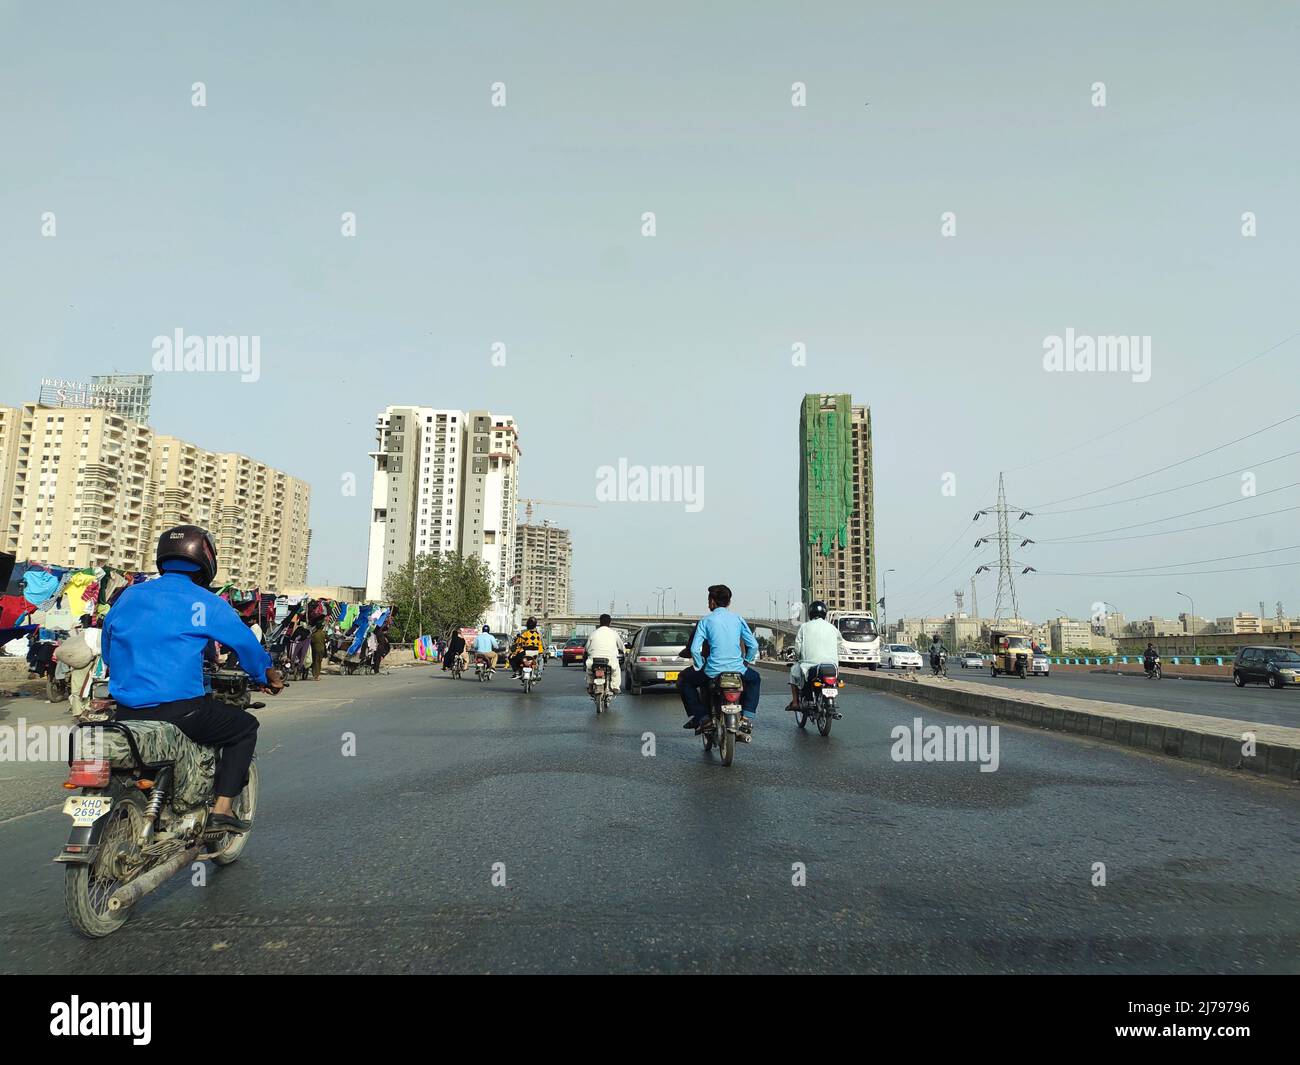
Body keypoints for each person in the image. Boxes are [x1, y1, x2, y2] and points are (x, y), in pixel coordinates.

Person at [102, 525, 283, 834]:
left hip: (127, 711)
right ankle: (221, 810)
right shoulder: (205, 603)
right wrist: (266, 673)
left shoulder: (129, 596)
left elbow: (108, 651)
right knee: (244, 728)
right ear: (206, 560)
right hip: (181, 711)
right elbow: (245, 645)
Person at [678, 584, 761, 732]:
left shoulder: (705, 621)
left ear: (712, 602)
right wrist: (746, 662)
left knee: (684, 681)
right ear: (729, 602)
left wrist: (699, 665)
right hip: (738, 670)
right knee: (755, 679)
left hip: (712, 671)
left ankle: (703, 718)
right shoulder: (738, 619)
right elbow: (753, 645)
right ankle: (747, 717)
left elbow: (695, 649)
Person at [785, 600, 839, 710]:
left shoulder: (804, 627)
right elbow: (840, 644)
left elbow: (798, 646)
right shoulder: (833, 628)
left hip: (810, 666)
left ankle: (795, 702)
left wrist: (799, 657)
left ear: (810, 613)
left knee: (793, 671)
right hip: (832, 666)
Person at [584, 614, 623, 694]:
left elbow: (586, 648)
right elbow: (621, 647)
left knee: (589, 670)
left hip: (594, 660)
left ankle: (591, 686)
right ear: (610, 623)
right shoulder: (614, 633)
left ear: (600, 622)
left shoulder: (593, 633)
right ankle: (615, 687)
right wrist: (623, 652)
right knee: (616, 671)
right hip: (610, 660)